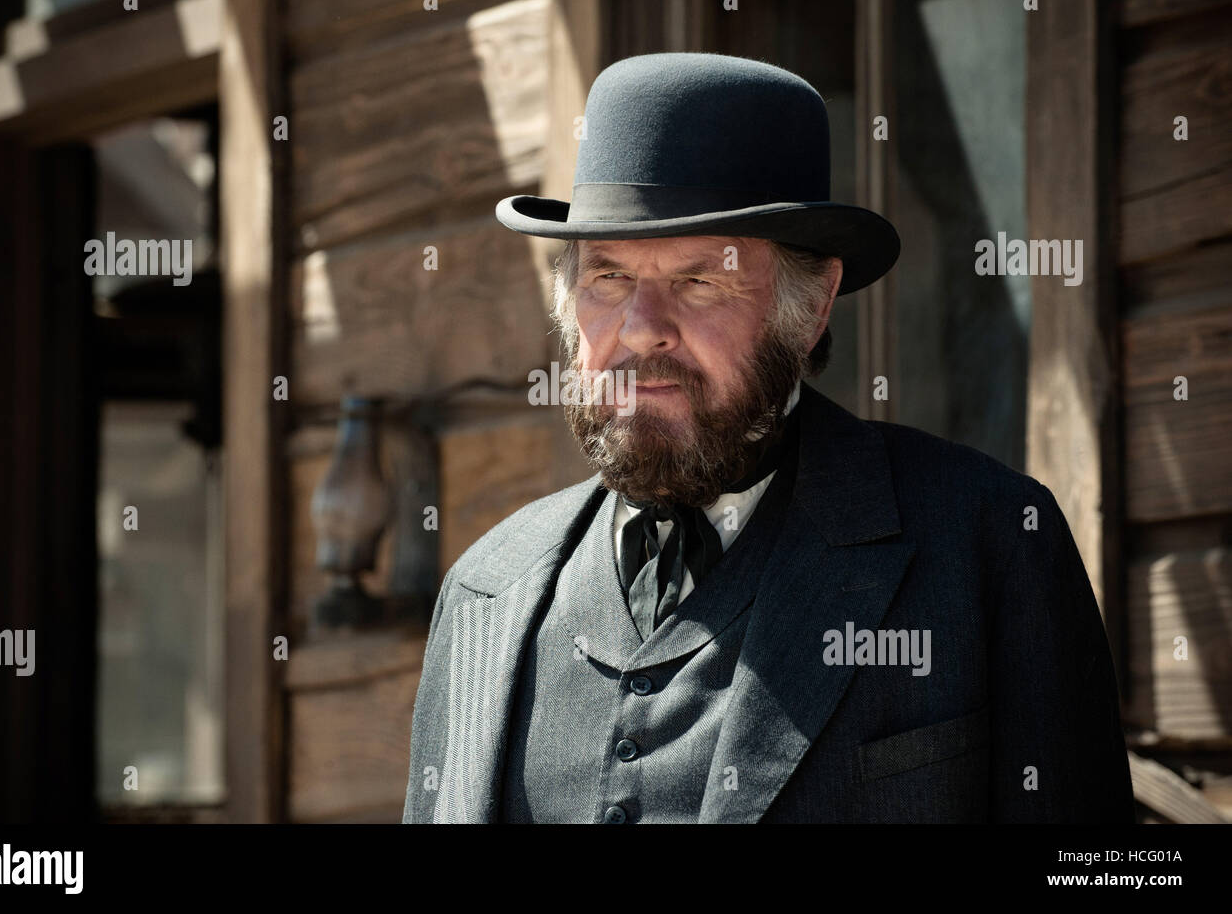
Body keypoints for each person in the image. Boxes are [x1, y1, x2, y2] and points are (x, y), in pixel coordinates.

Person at [402, 52, 1134, 823]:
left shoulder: (989, 542)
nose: (642, 330)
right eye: (608, 278)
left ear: (811, 304)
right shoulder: (486, 589)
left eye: (699, 280)